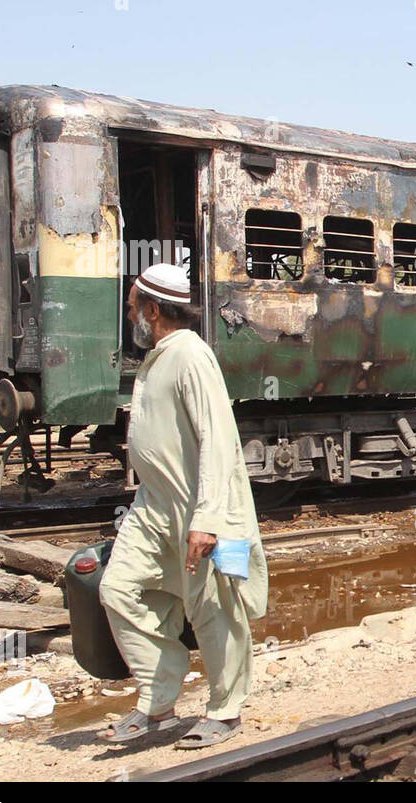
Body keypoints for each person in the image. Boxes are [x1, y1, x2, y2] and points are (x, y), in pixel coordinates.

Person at [96, 263, 269, 749]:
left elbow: (218, 441)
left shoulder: (191, 355)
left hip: (201, 507)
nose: (129, 315)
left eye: (133, 307)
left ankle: (226, 709)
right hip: (153, 508)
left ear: (153, 310)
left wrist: (208, 519)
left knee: (215, 607)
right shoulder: (161, 356)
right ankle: (159, 696)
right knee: (118, 588)